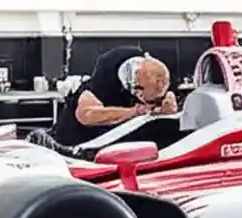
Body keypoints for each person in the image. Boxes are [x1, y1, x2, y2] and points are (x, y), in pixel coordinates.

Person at [48, 46, 178, 147]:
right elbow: (86, 114)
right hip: (73, 140)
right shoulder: (106, 77)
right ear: (135, 88)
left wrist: (168, 103)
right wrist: (135, 111)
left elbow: (165, 95)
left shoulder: (155, 74)